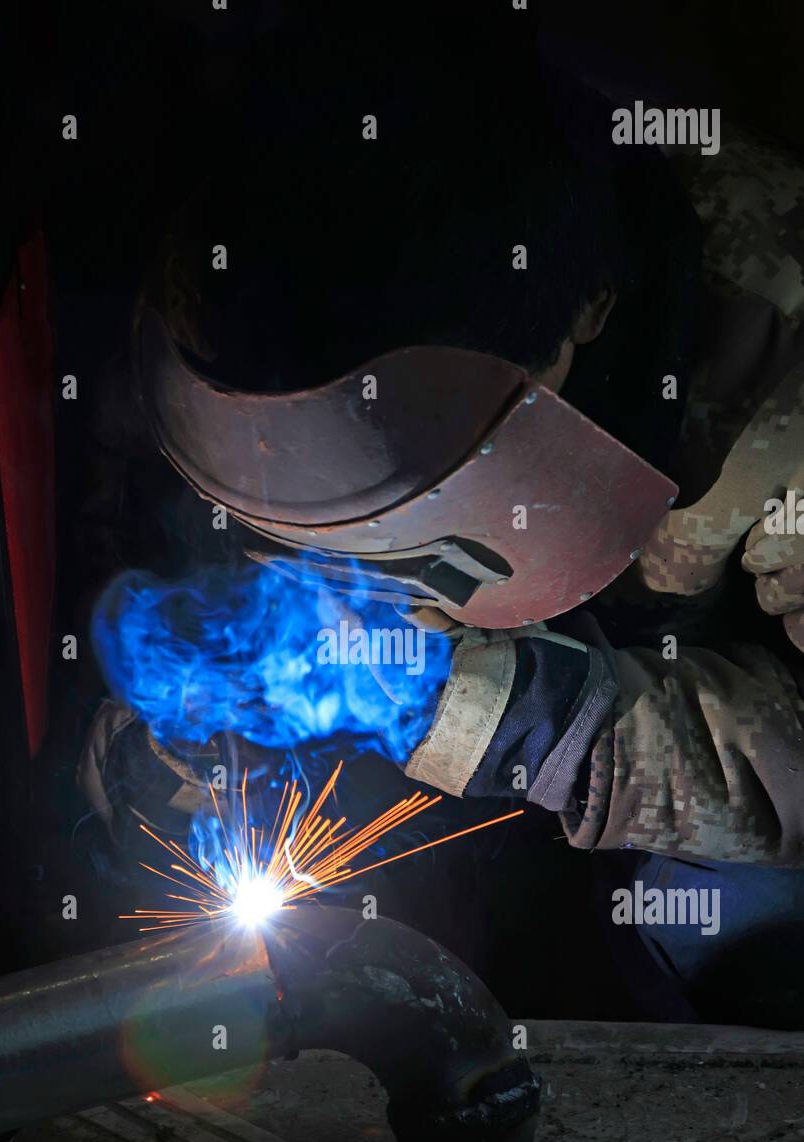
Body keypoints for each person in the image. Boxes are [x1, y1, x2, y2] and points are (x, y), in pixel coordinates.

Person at [82, 12, 804, 1025]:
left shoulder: (775, 333)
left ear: (588, 306)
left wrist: (536, 721)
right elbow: (161, 558)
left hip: (676, 764)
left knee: (718, 923)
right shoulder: (254, 271)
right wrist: (170, 733)